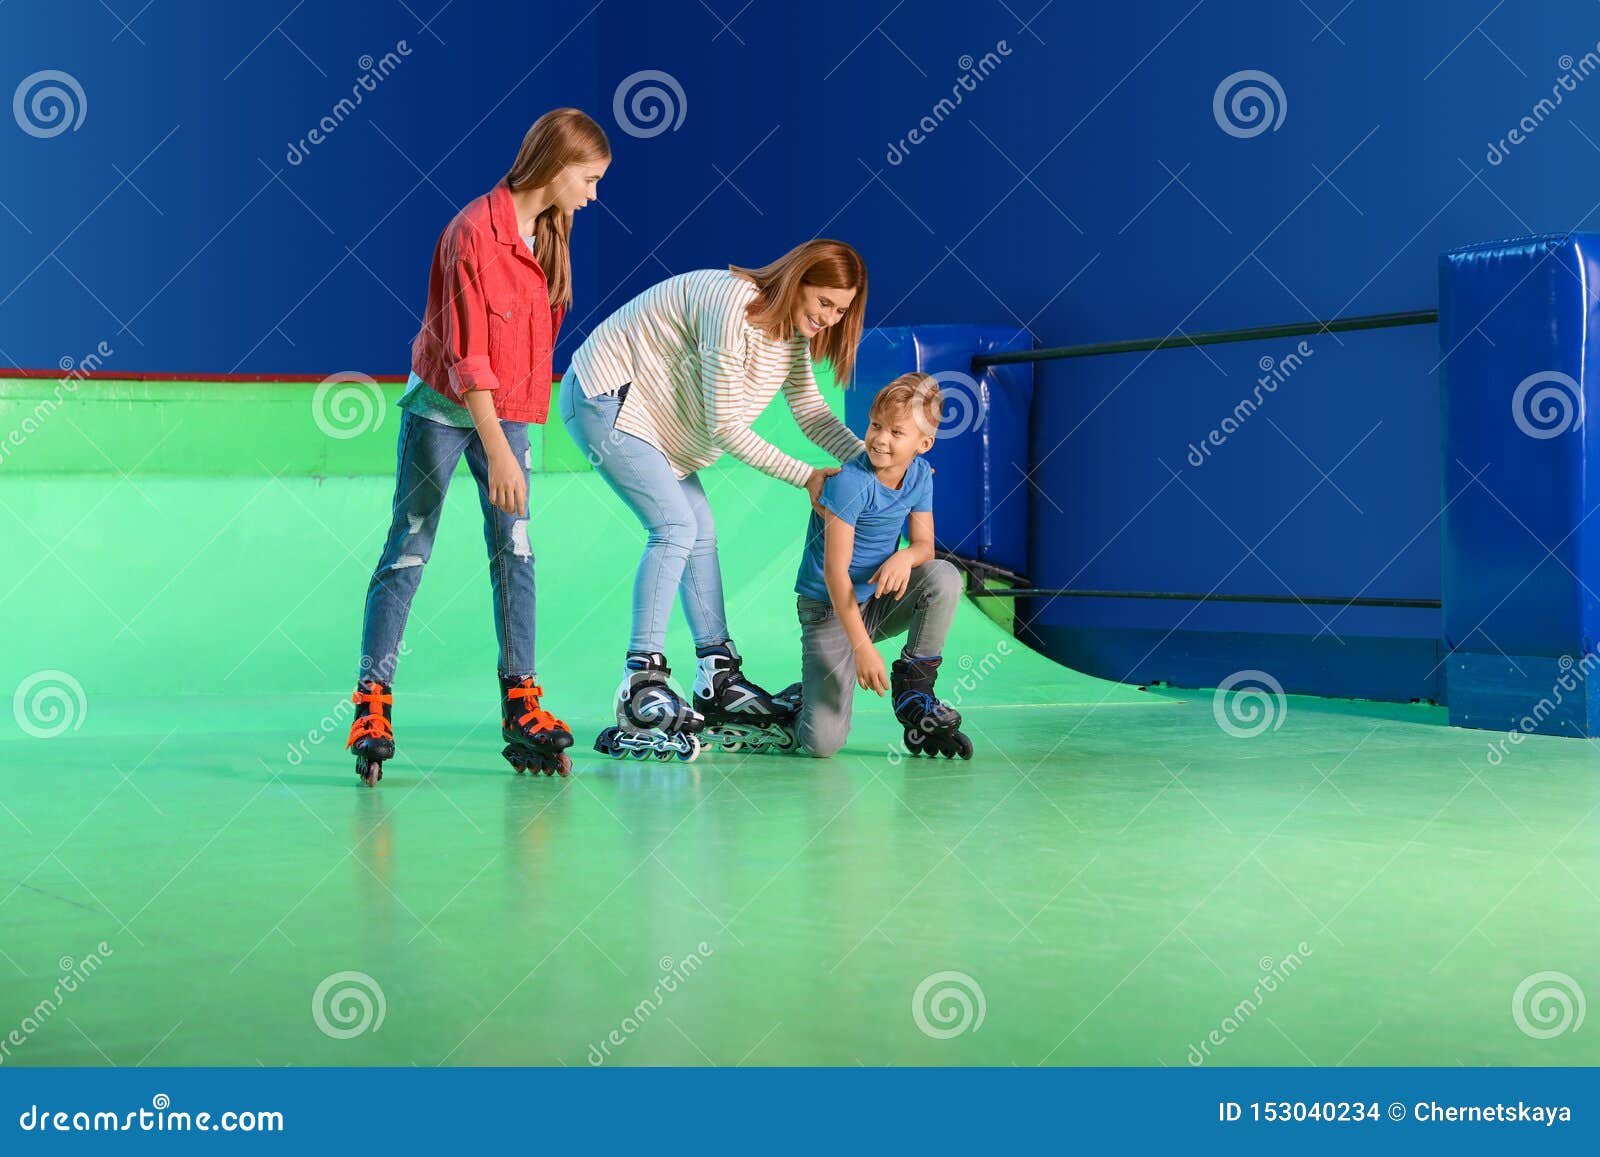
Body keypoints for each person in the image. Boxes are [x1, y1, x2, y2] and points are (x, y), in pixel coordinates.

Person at [346, 108, 611, 785]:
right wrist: (497, 450)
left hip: (510, 415)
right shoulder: (472, 234)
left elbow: (526, 348)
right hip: (445, 407)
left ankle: (521, 700)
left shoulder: (550, 231)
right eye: (589, 178)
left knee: (515, 549)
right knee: (409, 543)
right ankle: (372, 703)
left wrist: (512, 437)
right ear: (556, 167)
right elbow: (469, 357)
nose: (593, 192)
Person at [561, 240, 868, 761]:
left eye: (840, 311)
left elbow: (810, 411)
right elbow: (724, 425)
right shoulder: (732, 305)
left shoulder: (792, 332)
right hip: (604, 398)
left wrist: (868, 462)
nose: (828, 319)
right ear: (796, 281)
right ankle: (641, 680)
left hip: (656, 420)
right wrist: (806, 477)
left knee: (699, 531)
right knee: (675, 527)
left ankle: (717, 678)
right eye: (823, 302)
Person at [790, 372, 973, 759]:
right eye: (876, 425)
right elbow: (835, 574)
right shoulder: (850, 482)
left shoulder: (920, 475)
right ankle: (790, 706)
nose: (880, 439)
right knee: (823, 744)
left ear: (923, 444)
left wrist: (904, 556)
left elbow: (925, 545)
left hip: (875, 601)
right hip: (828, 610)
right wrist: (861, 648)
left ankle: (915, 691)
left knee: (943, 576)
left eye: (896, 432)